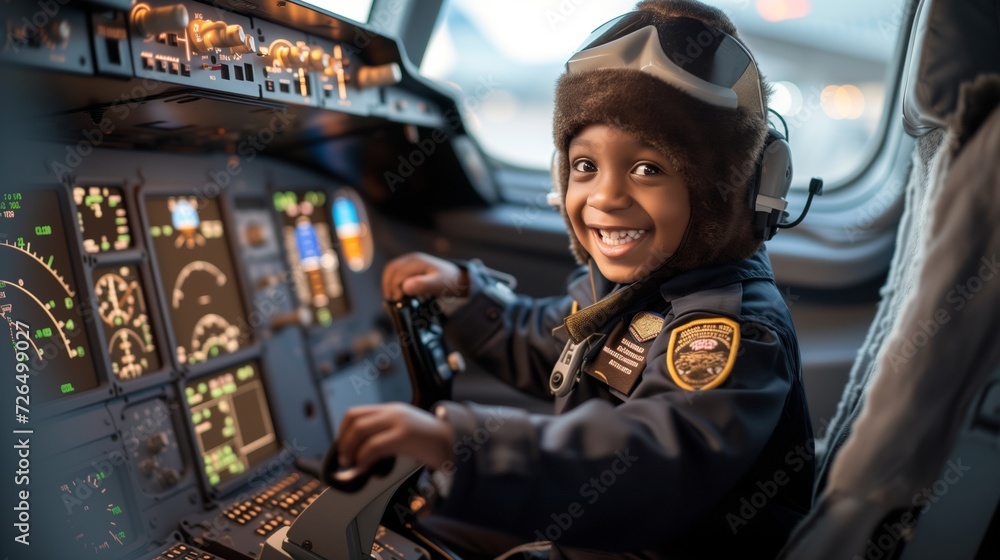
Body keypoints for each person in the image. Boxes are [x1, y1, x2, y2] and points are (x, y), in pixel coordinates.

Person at [336, 1, 814, 557]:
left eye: (648, 169)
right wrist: (468, 298)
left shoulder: (726, 327)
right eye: (585, 166)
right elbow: (554, 342)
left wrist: (463, 445)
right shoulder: (635, 290)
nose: (605, 197)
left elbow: (648, 458)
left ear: (727, 194)